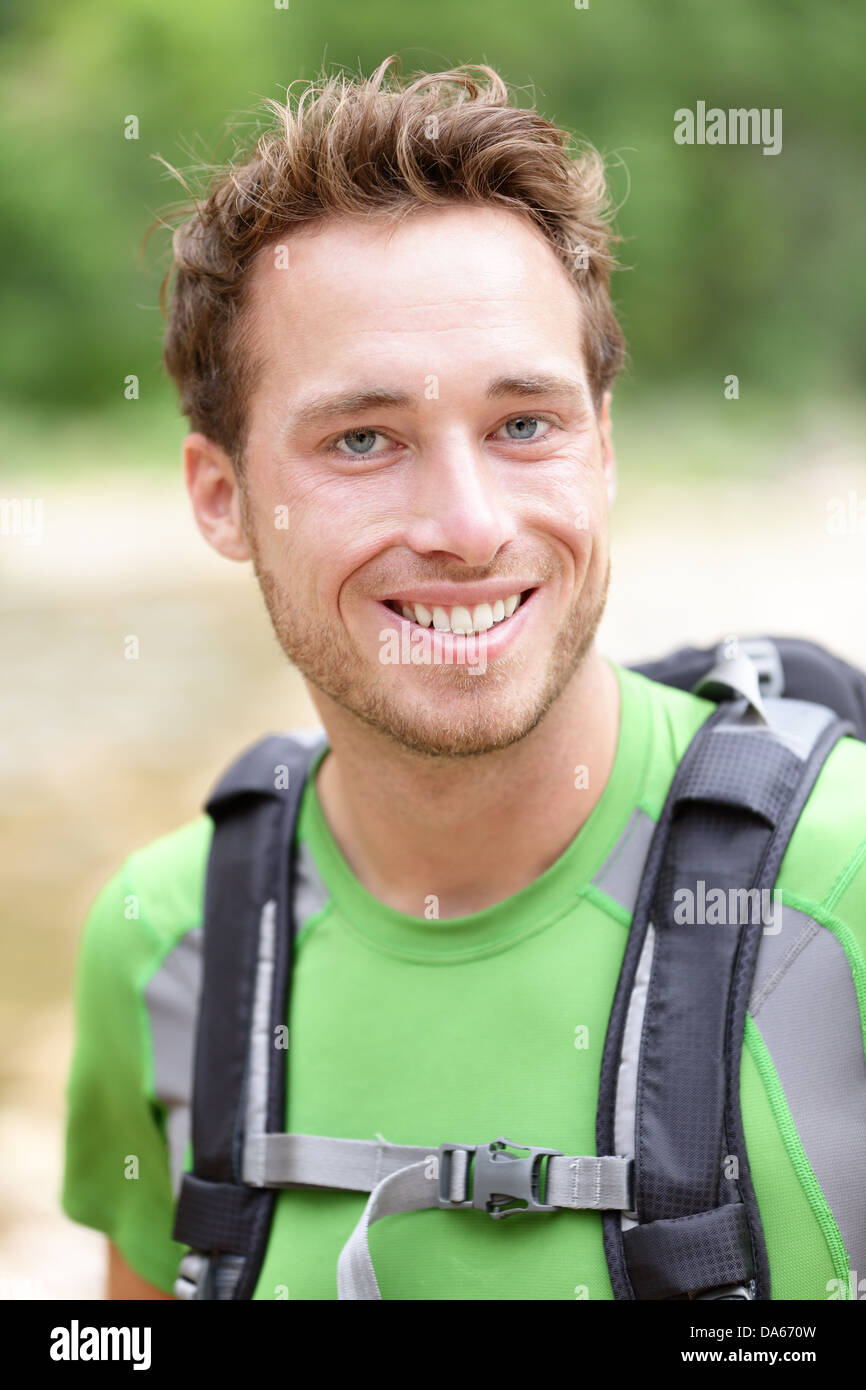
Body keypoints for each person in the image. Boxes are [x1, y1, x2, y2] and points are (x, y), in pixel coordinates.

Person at [61, 56, 866, 1301]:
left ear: (602, 447)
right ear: (222, 498)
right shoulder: (169, 941)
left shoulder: (846, 885)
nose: (466, 524)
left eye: (523, 424)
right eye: (362, 438)